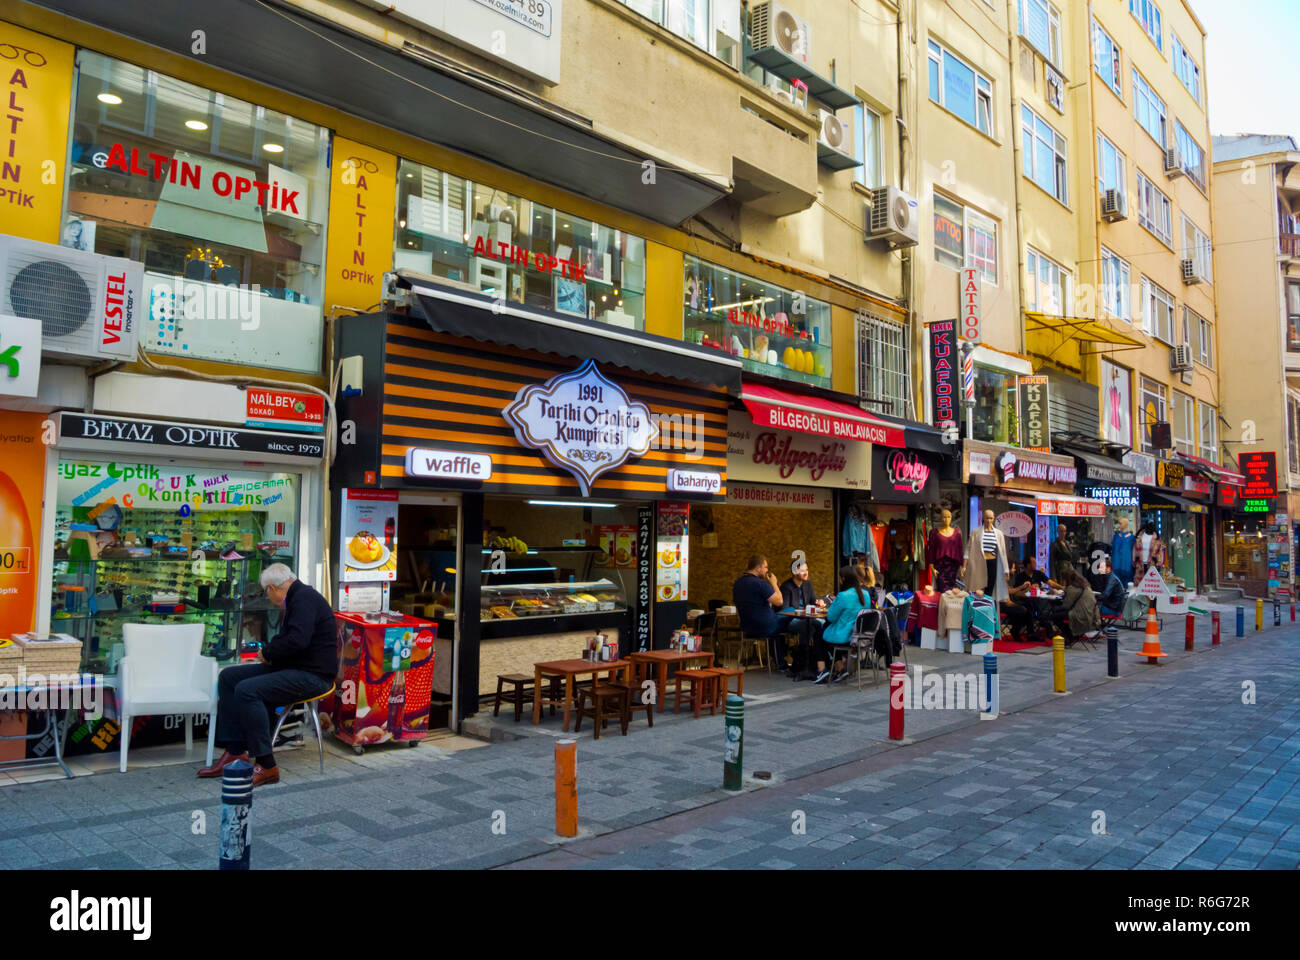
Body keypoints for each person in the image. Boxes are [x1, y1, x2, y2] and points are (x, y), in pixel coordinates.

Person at [198, 564, 339, 787]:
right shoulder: (297, 597)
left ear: (272, 588)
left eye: (267, 592)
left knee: (247, 690)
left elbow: (296, 641)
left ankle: (266, 764)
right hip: (295, 667)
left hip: (313, 675)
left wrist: (269, 653)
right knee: (228, 678)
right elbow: (292, 640)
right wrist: (271, 653)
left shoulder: (304, 599)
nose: (268, 596)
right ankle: (235, 751)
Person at [815, 565, 874, 684]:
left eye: (840, 578)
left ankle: (822, 670)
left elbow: (830, 617)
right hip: (858, 636)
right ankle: (840, 668)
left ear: (843, 579)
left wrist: (833, 604)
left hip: (843, 637)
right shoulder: (865, 595)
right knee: (826, 633)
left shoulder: (843, 596)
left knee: (818, 635)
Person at [732, 554, 789, 675]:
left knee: (777, 629)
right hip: (765, 626)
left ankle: (779, 661)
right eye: (765, 567)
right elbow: (779, 601)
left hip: (747, 627)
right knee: (790, 614)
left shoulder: (737, 583)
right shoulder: (760, 584)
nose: (767, 570)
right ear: (758, 568)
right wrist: (774, 583)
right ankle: (784, 661)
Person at [780, 560, 825, 680]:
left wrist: (818, 603)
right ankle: (806, 661)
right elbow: (785, 610)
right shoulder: (786, 587)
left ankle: (818, 659)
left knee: (823, 624)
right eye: (802, 570)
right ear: (794, 572)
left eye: (807, 570)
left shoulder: (807, 585)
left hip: (806, 618)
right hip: (791, 620)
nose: (806, 573)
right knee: (810, 626)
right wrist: (802, 612)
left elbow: (813, 601)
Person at [965, 509, 1010, 603]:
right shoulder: (976, 532)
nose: (989, 520)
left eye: (991, 518)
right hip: (979, 562)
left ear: (993, 519)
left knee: (989, 588)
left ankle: (987, 610)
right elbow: (968, 549)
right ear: (983, 518)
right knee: (978, 588)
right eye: (987, 518)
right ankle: (976, 610)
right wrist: (964, 566)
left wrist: (1006, 569)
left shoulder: (998, 533)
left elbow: (1003, 552)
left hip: (992, 562)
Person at [1055, 567, 1101, 641]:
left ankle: (1068, 634)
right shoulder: (1086, 586)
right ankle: (1069, 634)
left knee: (1054, 615)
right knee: (1058, 613)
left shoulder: (1072, 588)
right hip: (1091, 615)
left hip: (1080, 616)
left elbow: (1066, 605)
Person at [925, 508, 964, 593]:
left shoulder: (957, 532)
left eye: (949, 517)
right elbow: (931, 549)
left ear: (951, 518)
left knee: (952, 590)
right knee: (942, 590)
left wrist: (961, 566)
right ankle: (941, 605)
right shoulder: (934, 532)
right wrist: (931, 567)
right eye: (944, 517)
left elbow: (960, 549)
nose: (947, 519)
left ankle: (949, 606)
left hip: (953, 566)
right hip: (940, 565)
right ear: (941, 518)